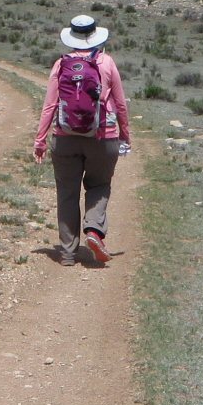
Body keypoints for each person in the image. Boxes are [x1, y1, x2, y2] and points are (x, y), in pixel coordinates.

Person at [32, 13, 132, 266]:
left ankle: (67, 253)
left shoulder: (60, 65)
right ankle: (94, 231)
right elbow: (120, 105)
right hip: (103, 136)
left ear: (72, 38)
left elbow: (50, 105)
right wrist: (125, 136)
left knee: (67, 192)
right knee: (99, 185)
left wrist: (40, 140)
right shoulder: (107, 63)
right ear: (95, 36)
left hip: (65, 137)